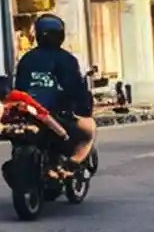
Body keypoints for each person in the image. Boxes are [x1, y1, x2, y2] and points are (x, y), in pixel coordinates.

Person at [13, 14, 96, 171]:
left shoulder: (26, 59)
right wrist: (83, 108)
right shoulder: (67, 60)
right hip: (57, 114)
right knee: (89, 129)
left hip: (28, 113)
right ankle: (73, 163)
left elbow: (19, 87)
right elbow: (76, 89)